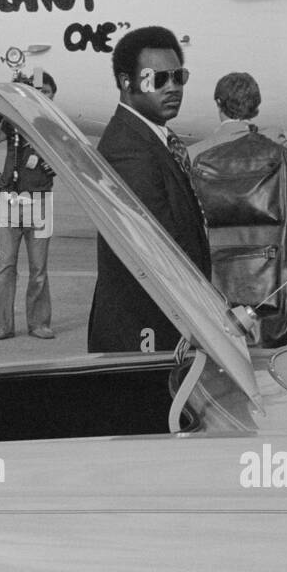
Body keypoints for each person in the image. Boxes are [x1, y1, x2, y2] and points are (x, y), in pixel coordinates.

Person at [87, 26, 211, 353]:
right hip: (146, 332)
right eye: (157, 79)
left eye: (178, 76)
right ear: (127, 83)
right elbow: (163, 250)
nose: (172, 87)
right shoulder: (129, 149)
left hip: (161, 326)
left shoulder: (151, 139)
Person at [192, 72, 287, 349]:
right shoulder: (278, 149)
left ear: (218, 104)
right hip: (270, 283)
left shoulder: (195, 154)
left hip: (215, 281)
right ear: (256, 105)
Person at [0, 72, 56, 340]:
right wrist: (6, 111)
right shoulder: (13, 123)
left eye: (46, 91)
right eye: (36, 91)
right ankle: (2, 324)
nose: (41, 96)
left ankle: (38, 323)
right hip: (8, 198)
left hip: (39, 200)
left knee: (38, 268)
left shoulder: (52, 124)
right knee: (6, 266)